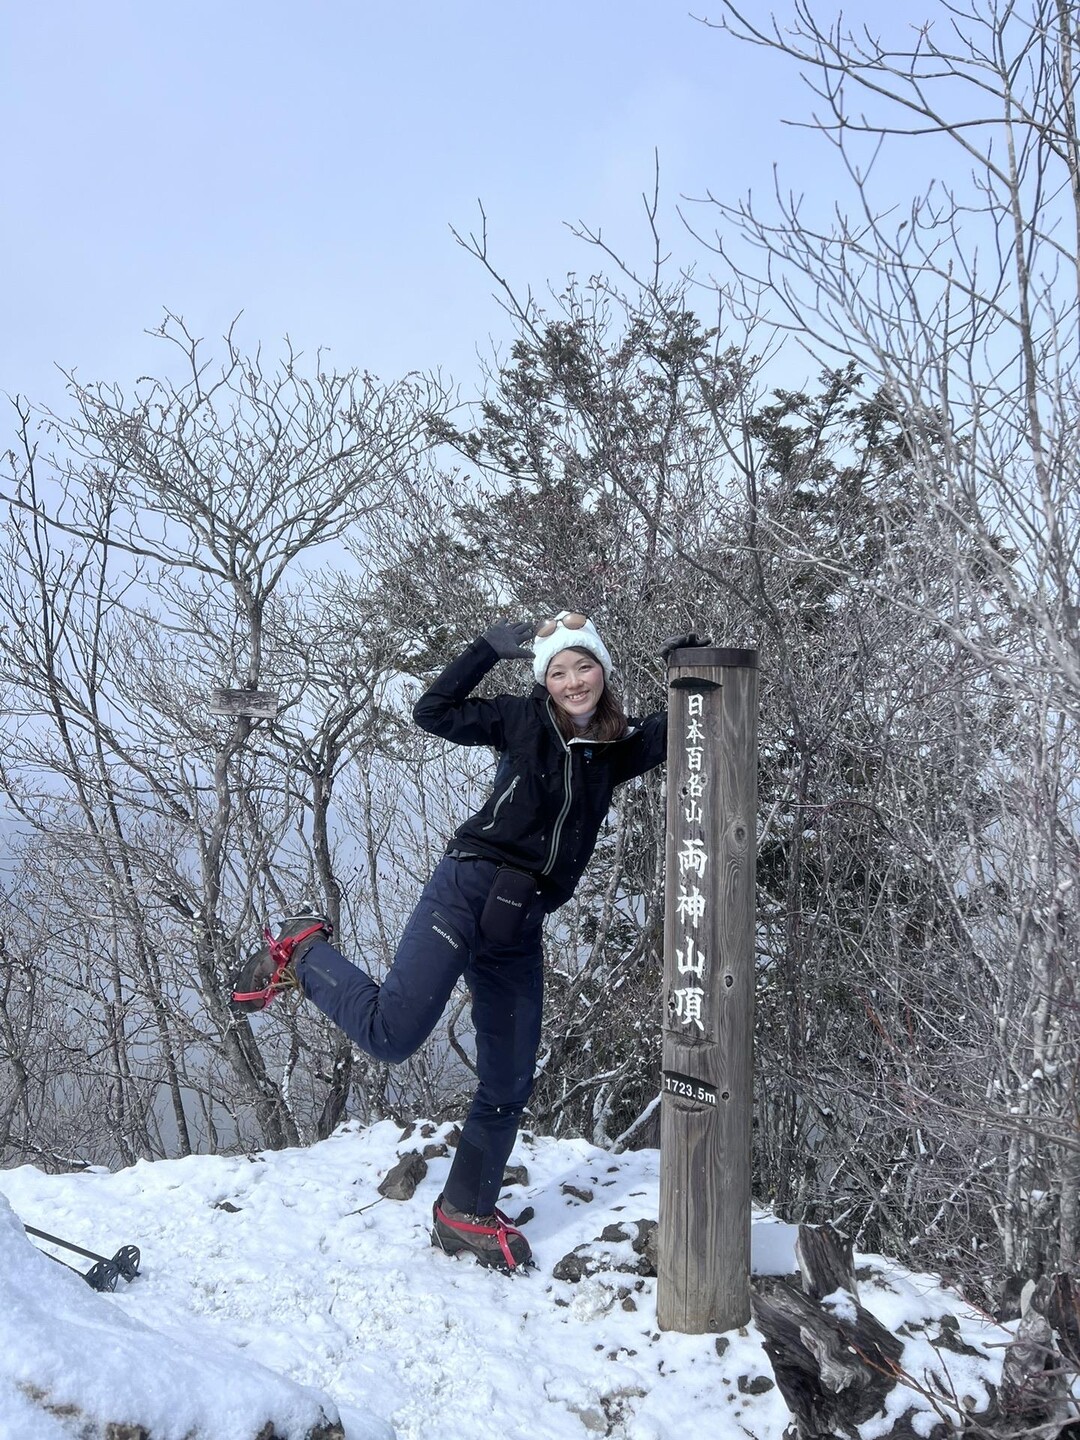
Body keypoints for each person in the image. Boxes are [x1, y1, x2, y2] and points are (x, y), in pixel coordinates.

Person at [232, 612, 698, 1272]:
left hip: (519, 923)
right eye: (558, 670)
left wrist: (690, 673)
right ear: (544, 680)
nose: (573, 681)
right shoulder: (520, 719)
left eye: (584, 666)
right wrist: (485, 649)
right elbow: (432, 712)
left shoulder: (611, 750)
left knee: (508, 1081)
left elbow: (674, 730)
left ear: (603, 671)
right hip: (466, 892)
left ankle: (463, 1211)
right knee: (391, 1035)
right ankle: (303, 950)